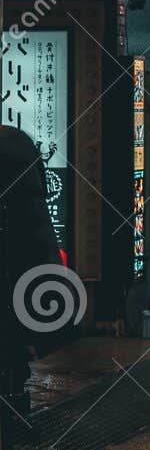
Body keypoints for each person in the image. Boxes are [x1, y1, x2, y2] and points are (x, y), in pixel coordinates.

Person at [0, 125, 65, 411]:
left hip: (12, 256)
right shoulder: (17, 141)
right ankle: (15, 406)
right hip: (30, 255)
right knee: (14, 340)